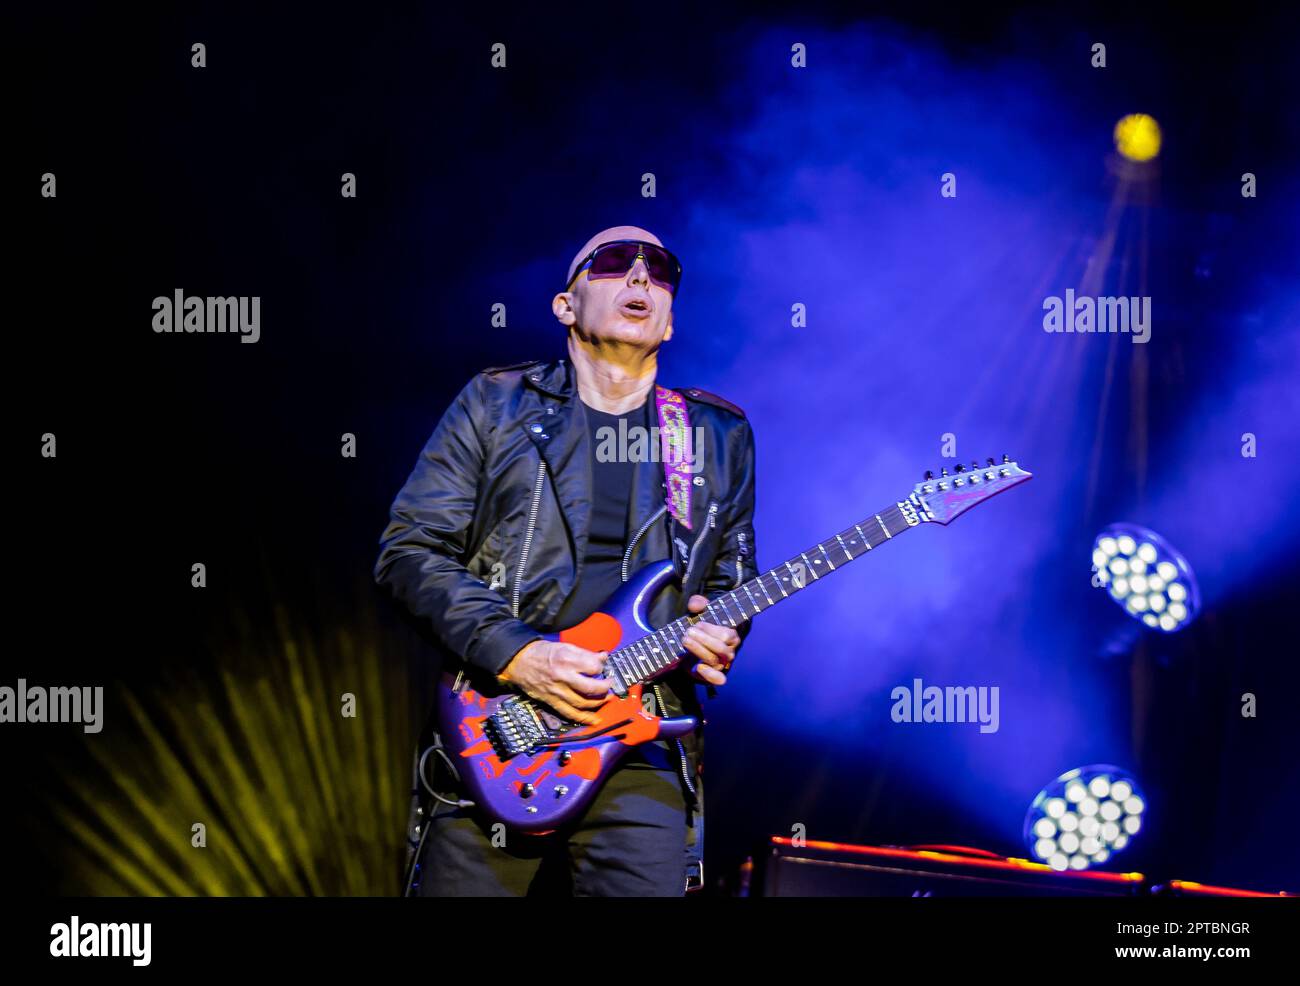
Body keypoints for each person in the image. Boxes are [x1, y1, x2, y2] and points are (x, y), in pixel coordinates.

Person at [374, 225, 757, 896]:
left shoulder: (715, 435)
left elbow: (730, 579)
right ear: (566, 305)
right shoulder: (496, 403)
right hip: (498, 727)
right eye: (615, 264)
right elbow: (409, 552)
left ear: (669, 323)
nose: (640, 278)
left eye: (660, 271)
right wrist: (519, 654)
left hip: (641, 734)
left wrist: (721, 633)